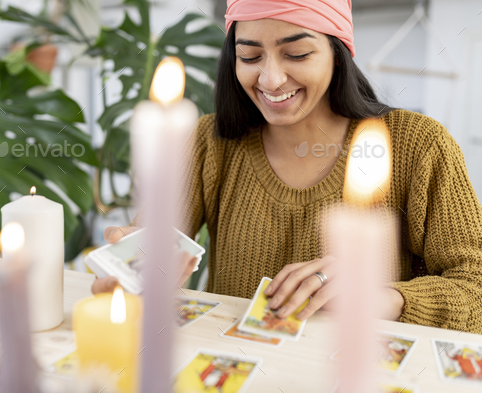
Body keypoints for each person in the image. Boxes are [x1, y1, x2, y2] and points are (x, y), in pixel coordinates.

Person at [93, 0, 482, 333]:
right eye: (249, 56)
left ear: (338, 51)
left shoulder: (419, 145)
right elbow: (153, 244)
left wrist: (385, 298)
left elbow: (475, 287)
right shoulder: (209, 143)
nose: (271, 78)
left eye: (297, 54)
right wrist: (127, 267)